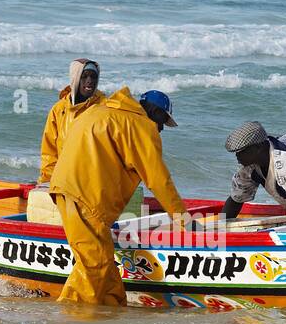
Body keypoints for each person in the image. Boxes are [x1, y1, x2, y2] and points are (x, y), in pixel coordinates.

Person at [49, 88, 190, 306]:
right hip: (87, 198)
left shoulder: (102, 110)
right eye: (162, 120)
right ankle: (70, 321)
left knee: (106, 268)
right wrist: (184, 220)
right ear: (152, 111)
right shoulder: (141, 126)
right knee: (95, 266)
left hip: (64, 189)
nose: (161, 128)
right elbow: (159, 180)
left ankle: (113, 316)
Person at [39, 58, 104, 184]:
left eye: (93, 76)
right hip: (64, 182)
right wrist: (47, 182)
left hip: (94, 184)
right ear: (75, 78)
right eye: (84, 76)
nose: (89, 81)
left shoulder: (104, 108)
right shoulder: (59, 110)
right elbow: (49, 153)